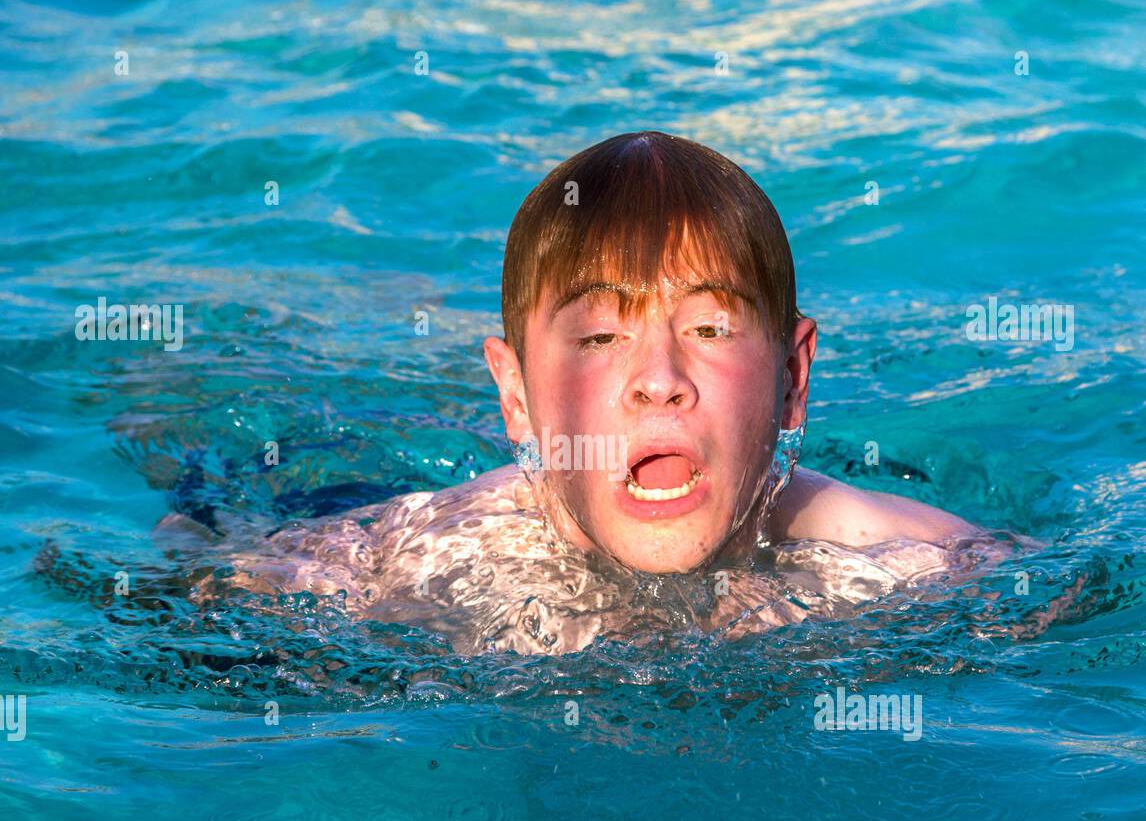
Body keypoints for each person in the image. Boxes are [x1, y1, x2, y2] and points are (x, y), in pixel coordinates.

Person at [186, 131, 1000, 656]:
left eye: (710, 330)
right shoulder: (394, 565)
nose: (659, 381)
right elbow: (195, 595)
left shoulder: (925, 569)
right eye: (600, 339)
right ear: (515, 398)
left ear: (793, 378)